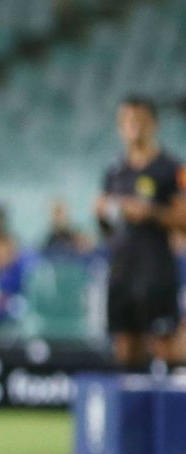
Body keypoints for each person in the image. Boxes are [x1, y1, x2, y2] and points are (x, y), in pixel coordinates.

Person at [95, 95, 186, 373]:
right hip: (123, 269)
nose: (133, 127)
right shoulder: (114, 170)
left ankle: (168, 400)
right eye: (127, 121)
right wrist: (102, 213)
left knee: (164, 346)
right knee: (125, 346)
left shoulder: (172, 169)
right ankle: (129, 401)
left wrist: (149, 212)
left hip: (157, 270)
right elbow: (106, 228)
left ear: (153, 125)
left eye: (139, 121)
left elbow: (183, 219)